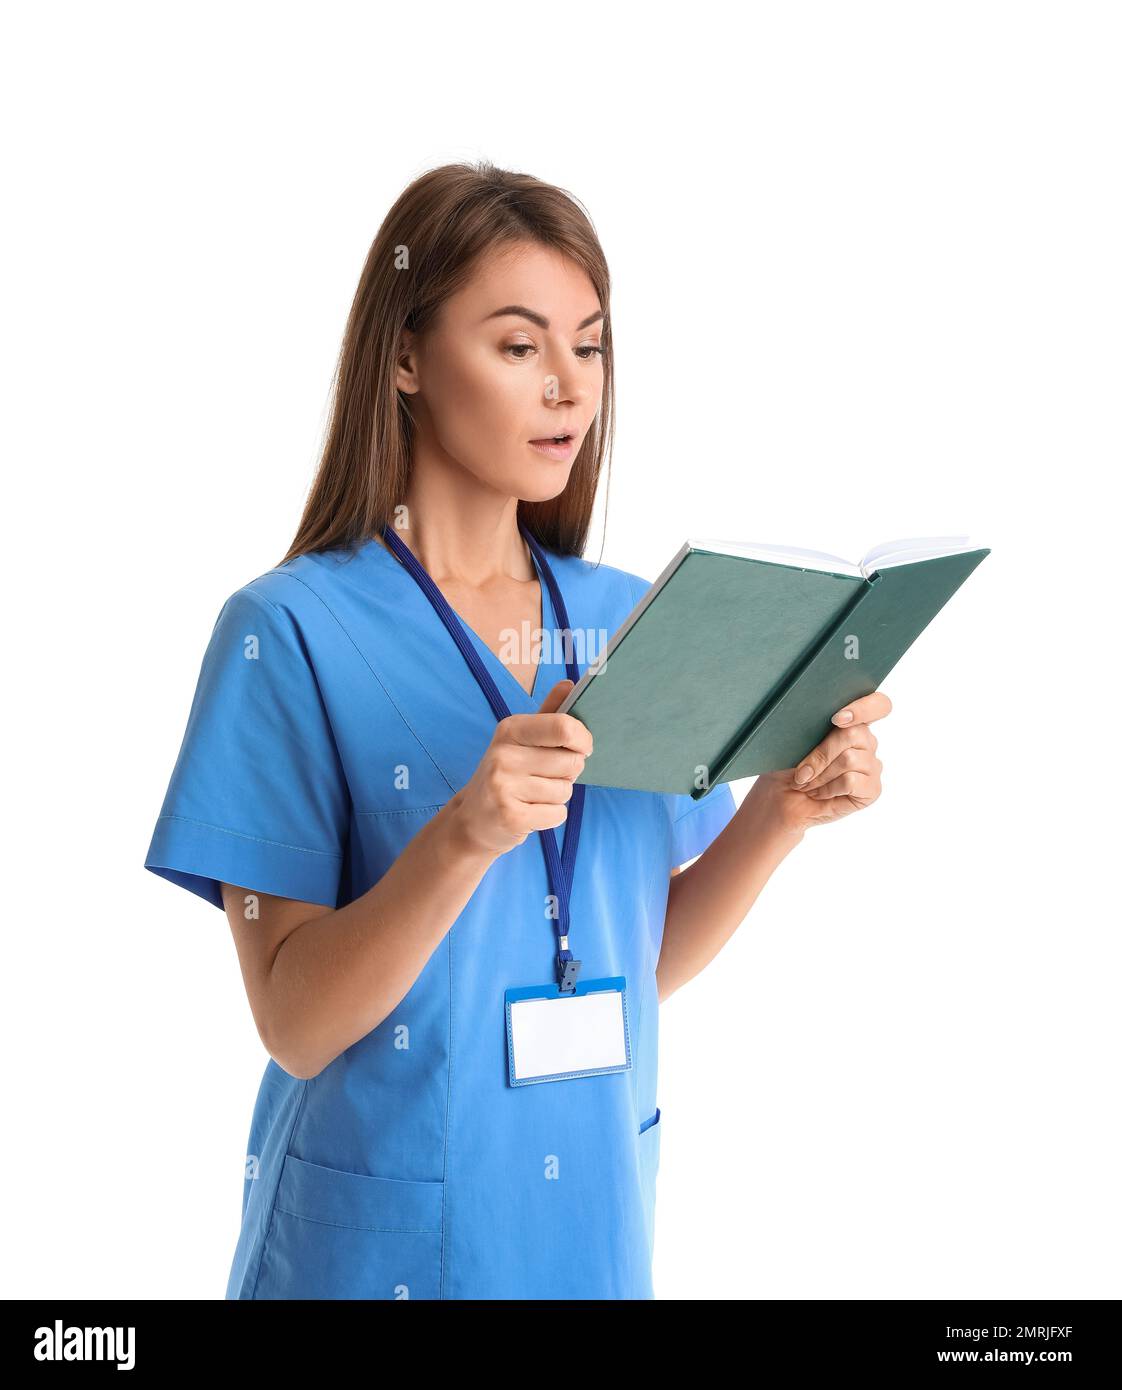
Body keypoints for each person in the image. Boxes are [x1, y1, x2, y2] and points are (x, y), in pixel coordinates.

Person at [143, 161, 889, 1300]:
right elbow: (294, 1023)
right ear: (404, 358)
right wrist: (464, 833)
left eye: (588, 347)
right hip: (375, 1245)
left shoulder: (624, 619)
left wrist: (782, 812)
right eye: (518, 345)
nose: (568, 389)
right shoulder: (285, 633)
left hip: (585, 1226)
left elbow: (630, 964)